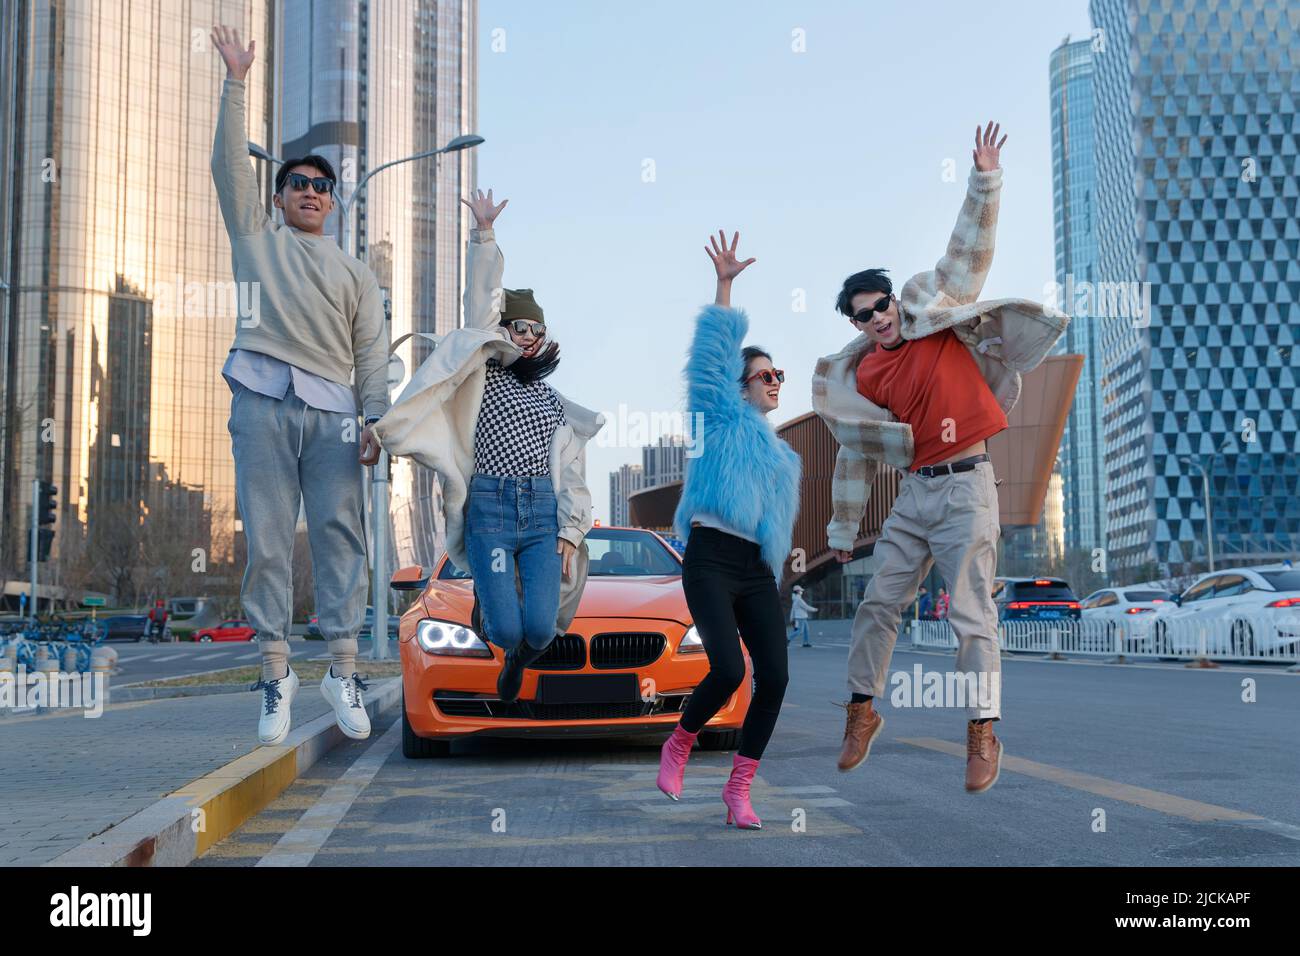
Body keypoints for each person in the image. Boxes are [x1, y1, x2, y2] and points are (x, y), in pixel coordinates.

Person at [812, 122, 1067, 792]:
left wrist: (985, 179)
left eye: (883, 304)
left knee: (970, 611)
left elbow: (966, 257)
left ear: (896, 300)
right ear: (856, 325)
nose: (880, 318)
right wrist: (842, 530)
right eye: (865, 315)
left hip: (967, 486)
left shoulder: (929, 308)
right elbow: (856, 454)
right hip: (914, 495)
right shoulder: (863, 378)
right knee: (878, 606)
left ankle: (983, 731)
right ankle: (862, 712)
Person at [210, 26, 389, 746]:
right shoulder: (258, 242)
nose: (310, 193)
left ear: (333, 203)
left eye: (322, 187)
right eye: (298, 185)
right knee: (270, 540)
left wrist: (375, 418)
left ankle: (341, 667)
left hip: (336, 418)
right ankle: (275, 670)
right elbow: (227, 169)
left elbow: (372, 354)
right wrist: (235, 83)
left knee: (343, 537)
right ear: (279, 197)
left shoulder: (354, 273)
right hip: (260, 401)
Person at [372, 189, 604, 704]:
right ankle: (494, 624)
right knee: (502, 627)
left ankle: (520, 662)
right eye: (519, 327)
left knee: (542, 631)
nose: (528, 337)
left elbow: (573, 480)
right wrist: (484, 236)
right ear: (504, 329)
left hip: (541, 516)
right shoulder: (482, 374)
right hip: (490, 513)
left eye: (537, 330)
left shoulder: (555, 403)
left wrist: (570, 534)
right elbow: (479, 310)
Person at [655, 231, 803, 830]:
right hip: (710, 559)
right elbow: (711, 364)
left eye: (778, 375)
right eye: (764, 375)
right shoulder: (716, 418)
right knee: (728, 668)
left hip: (754, 569)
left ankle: (740, 787)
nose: (774, 382)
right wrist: (724, 286)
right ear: (740, 386)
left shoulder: (781, 456)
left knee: (777, 675)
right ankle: (680, 742)